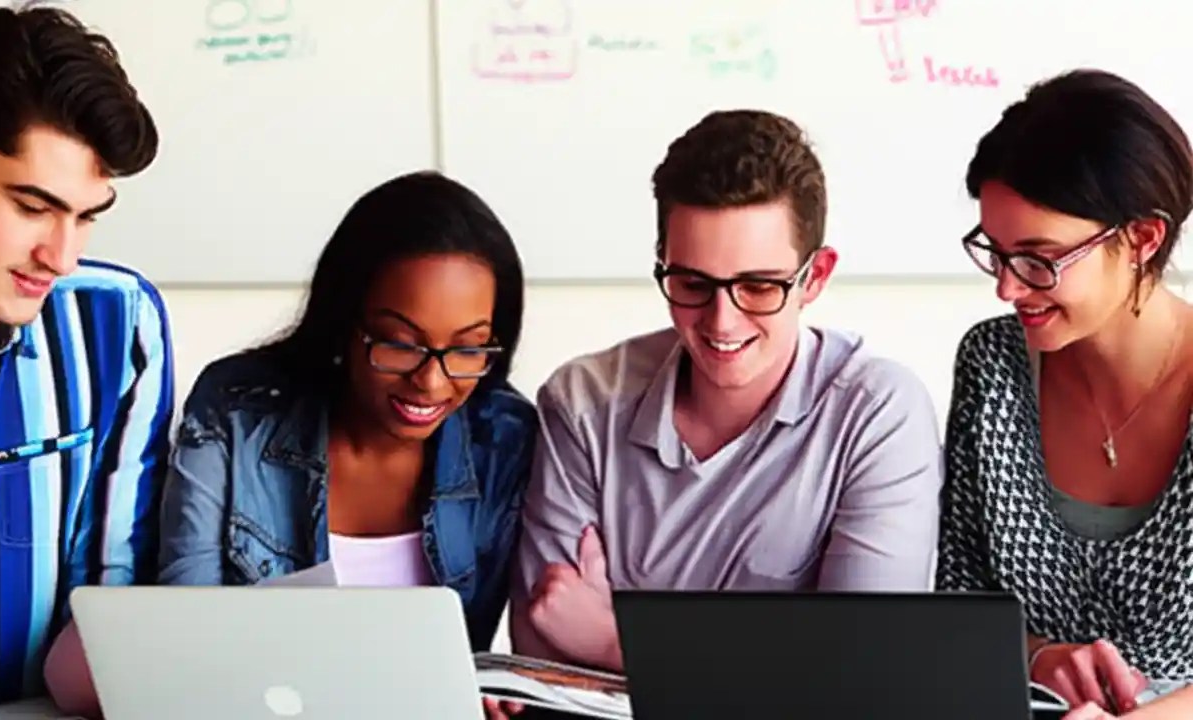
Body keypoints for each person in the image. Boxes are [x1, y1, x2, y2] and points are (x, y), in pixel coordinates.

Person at [509, 109, 944, 675]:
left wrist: (617, 644)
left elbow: (864, 676)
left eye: (759, 286)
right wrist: (779, 664)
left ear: (814, 277)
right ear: (662, 264)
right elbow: (547, 667)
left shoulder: (877, 413)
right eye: (692, 284)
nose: (722, 322)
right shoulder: (583, 404)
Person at [157, 171, 535, 720]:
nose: (431, 383)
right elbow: (184, 636)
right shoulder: (236, 410)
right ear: (343, 322)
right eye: (400, 344)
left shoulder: (503, 437)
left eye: (468, 349)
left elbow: (479, 664)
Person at [0, 5, 169, 718]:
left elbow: (114, 599)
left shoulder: (119, 327)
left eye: (87, 215)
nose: (61, 256)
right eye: (32, 206)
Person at [935, 69, 1193, 719]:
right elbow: (956, 602)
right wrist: (1040, 655)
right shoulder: (993, 365)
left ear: (1142, 238)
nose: (1007, 288)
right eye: (994, 253)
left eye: (1039, 258)